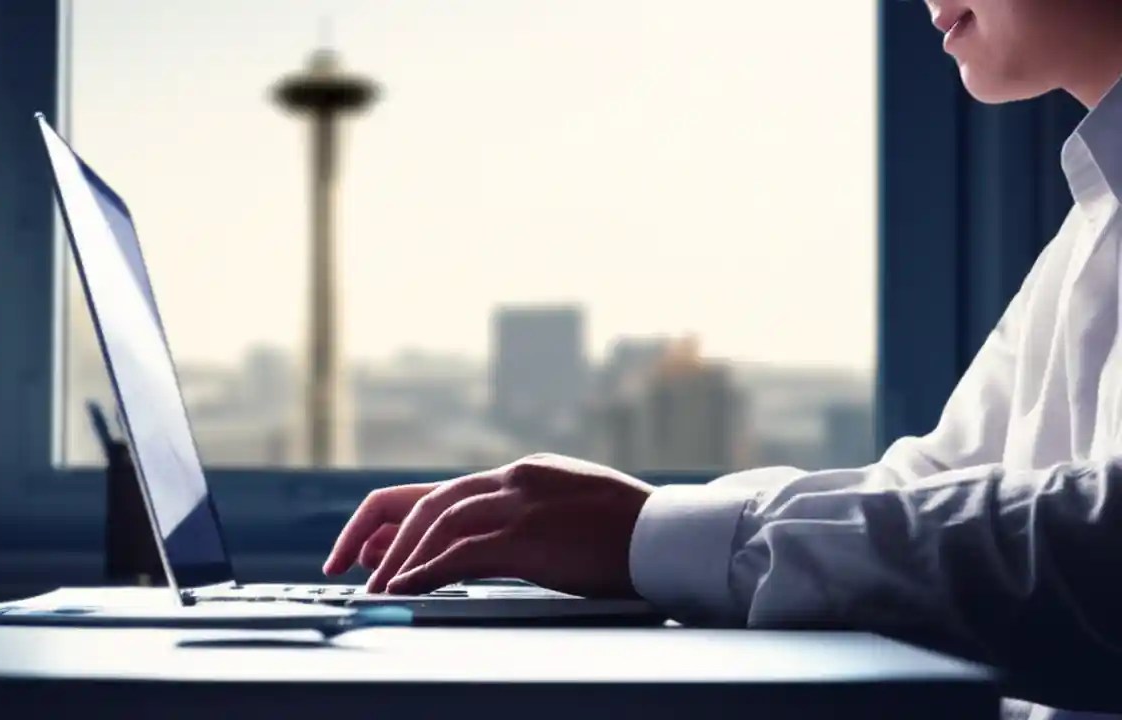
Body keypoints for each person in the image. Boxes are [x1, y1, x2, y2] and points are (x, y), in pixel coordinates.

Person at [324, 1, 1122, 716]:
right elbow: (933, 489)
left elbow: (1100, 553)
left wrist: (650, 537)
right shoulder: (1091, 226)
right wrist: (620, 532)